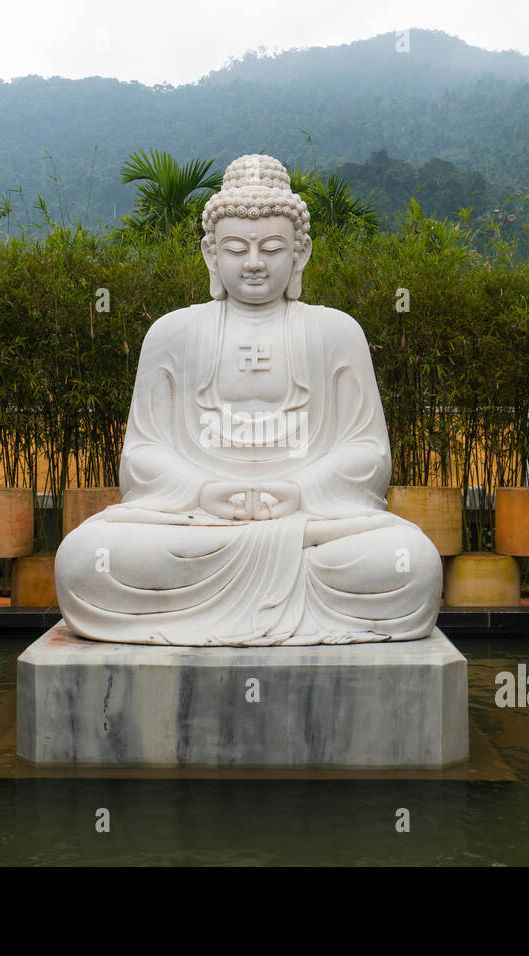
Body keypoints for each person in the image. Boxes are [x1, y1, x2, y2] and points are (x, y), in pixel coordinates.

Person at [54, 155, 442, 645]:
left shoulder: (336, 332)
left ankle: (206, 614)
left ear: (300, 254)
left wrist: (298, 490)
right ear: (210, 254)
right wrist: (203, 492)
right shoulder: (172, 333)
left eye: (272, 248)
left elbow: (368, 454)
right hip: (197, 526)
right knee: (86, 559)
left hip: (310, 523)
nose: (254, 262)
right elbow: (141, 456)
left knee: (411, 562)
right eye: (236, 248)